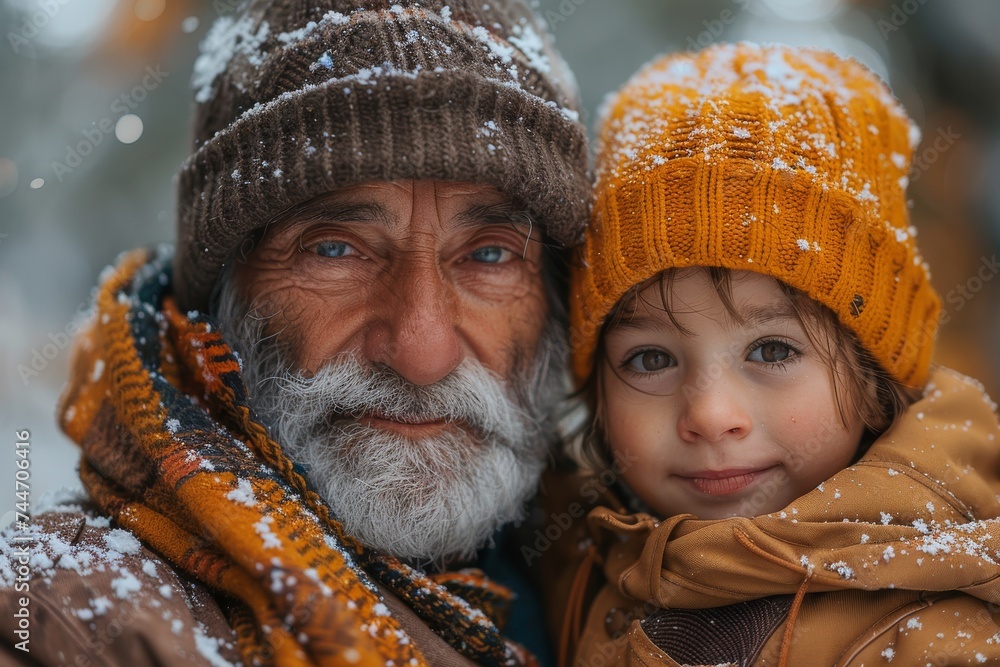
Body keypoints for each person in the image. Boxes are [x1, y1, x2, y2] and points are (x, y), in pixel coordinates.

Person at [0, 1, 591, 665]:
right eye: (335, 250)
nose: (424, 353)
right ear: (223, 294)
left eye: (488, 255)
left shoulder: (613, 576)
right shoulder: (67, 622)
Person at [549, 43, 1000, 667]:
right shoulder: (574, 556)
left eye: (771, 349)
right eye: (651, 359)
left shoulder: (934, 629)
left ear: (874, 374)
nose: (710, 414)